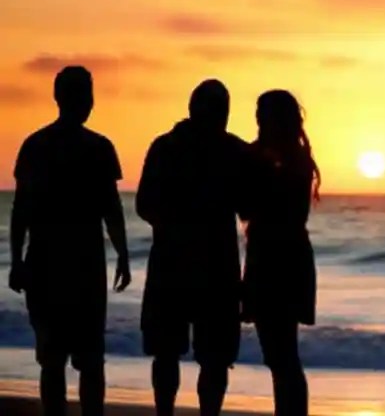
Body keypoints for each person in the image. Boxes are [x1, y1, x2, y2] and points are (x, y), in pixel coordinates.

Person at [7, 66, 132, 416]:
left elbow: (21, 211)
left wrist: (17, 260)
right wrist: (122, 254)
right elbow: (112, 208)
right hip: (80, 267)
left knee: (54, 357)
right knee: (88, 359)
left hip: (49, 264)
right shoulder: (98, 147)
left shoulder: (35, 145)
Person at [137, 79, 250, 416]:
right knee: (202, 356)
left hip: (179, 263)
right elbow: (249, 207)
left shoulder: (165, 147)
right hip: (209, 265)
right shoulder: (233, 151)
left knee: (179, 354)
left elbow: (144, 204)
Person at [242, 90, 320, 416]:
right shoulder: (290, 155)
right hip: (281, 255)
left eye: (263, 113)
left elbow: (249, 206)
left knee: (281, 354)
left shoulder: (282, 158)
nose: (258, 119)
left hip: (277, 259)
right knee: (280, 355)